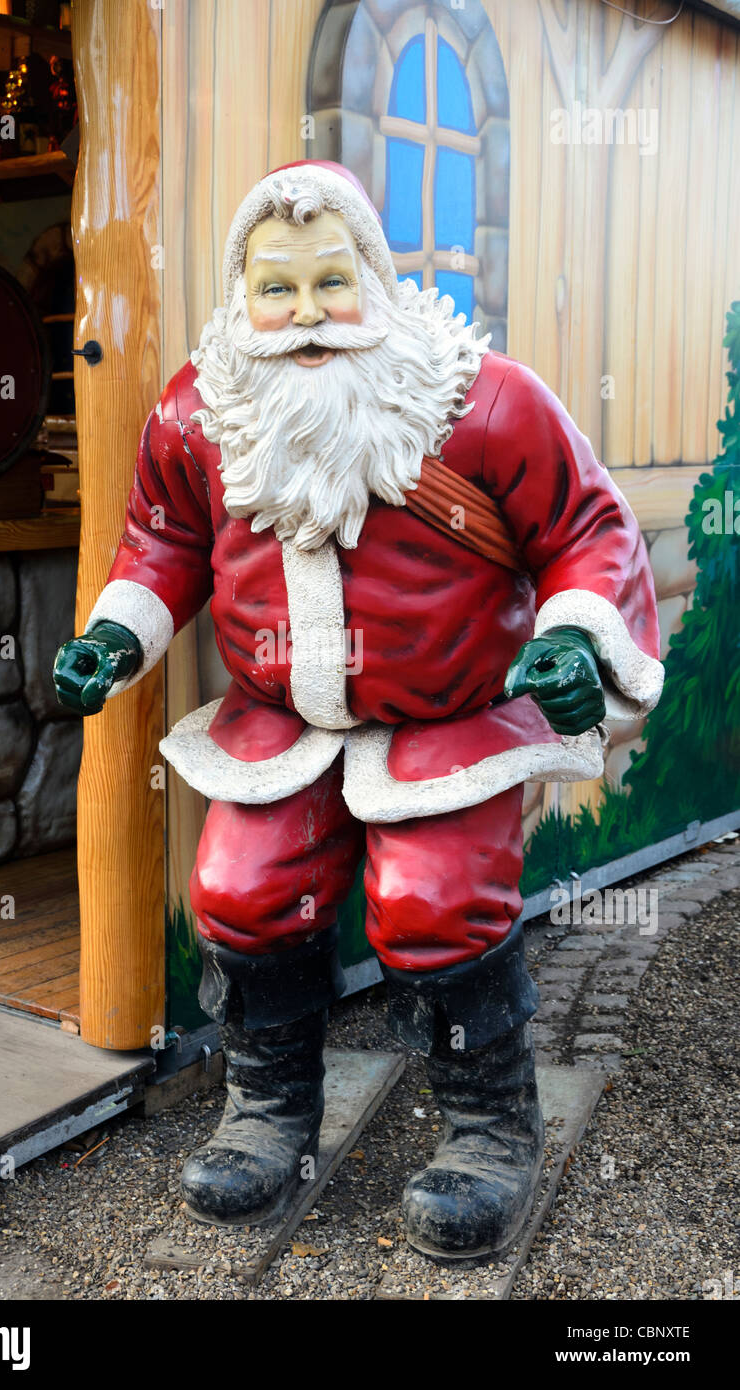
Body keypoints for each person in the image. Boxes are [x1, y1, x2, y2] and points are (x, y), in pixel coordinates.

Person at [53, 161, 662, 1261]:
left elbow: (586, 527)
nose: (303, 315)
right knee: (239, 887)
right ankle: (268, 1106)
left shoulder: (482, 399)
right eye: (276, 288)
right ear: (244, 296)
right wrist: (117, 637)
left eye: (331, 281)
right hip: (281, 718)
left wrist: (576, 639)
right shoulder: (202, 409)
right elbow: (162, 542)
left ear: (375, 278)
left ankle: (487, 1123)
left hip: (449, 714)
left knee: (436, 898)